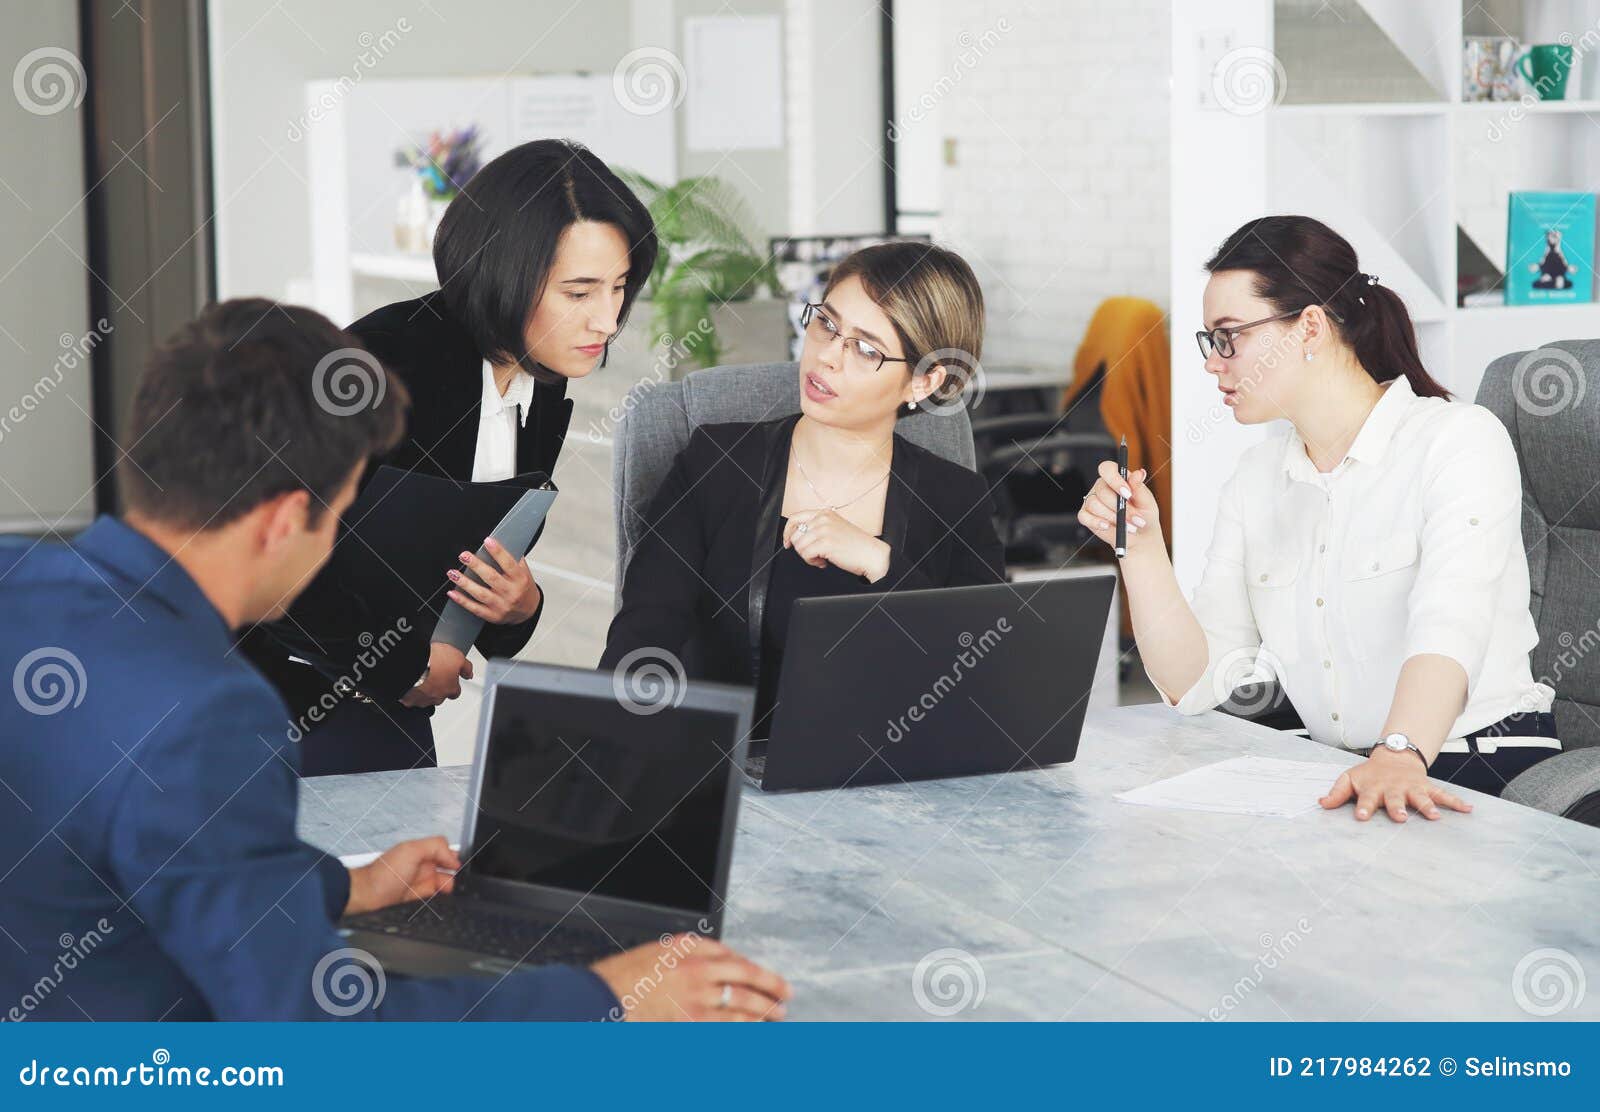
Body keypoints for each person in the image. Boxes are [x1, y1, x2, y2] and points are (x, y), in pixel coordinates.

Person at [0, 300, 789, 1021]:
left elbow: (149, 847)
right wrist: (606, 998)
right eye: (342, 514)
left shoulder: (17, 581)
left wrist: (347, 886)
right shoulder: (212, 712)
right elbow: (322, 1032)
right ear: (283, 521)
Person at [1078, 215, 1559, 822]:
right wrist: (1141, 551)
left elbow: (1450, 622)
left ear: (1309, 325)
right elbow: (1197, 682)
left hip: (1475, 754)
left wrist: (1400, 751)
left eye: (1230, 336)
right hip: (1343, 765)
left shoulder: (1458, 439)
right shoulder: (1256, 478)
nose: (1213, 363)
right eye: (1209, 340)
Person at [241, 138, 659, 776]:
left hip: (386, 708)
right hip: (266, 709)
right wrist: (404, 662)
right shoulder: (379, 364)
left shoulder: (542, 377)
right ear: (505, 275)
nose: (607, 320)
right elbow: (266, 553)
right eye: (579, 294)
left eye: (619, 289)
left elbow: (458, 549)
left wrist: (519, 607)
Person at [601, 242, 1006, 735]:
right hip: (731, 782)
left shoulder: (954, 500)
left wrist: (882, 565)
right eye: (827, 324)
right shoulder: (718, 464)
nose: (827, 357)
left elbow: (989, 688)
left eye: (865, 349)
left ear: (923, 382)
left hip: (900, 788)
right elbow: (640, 643)